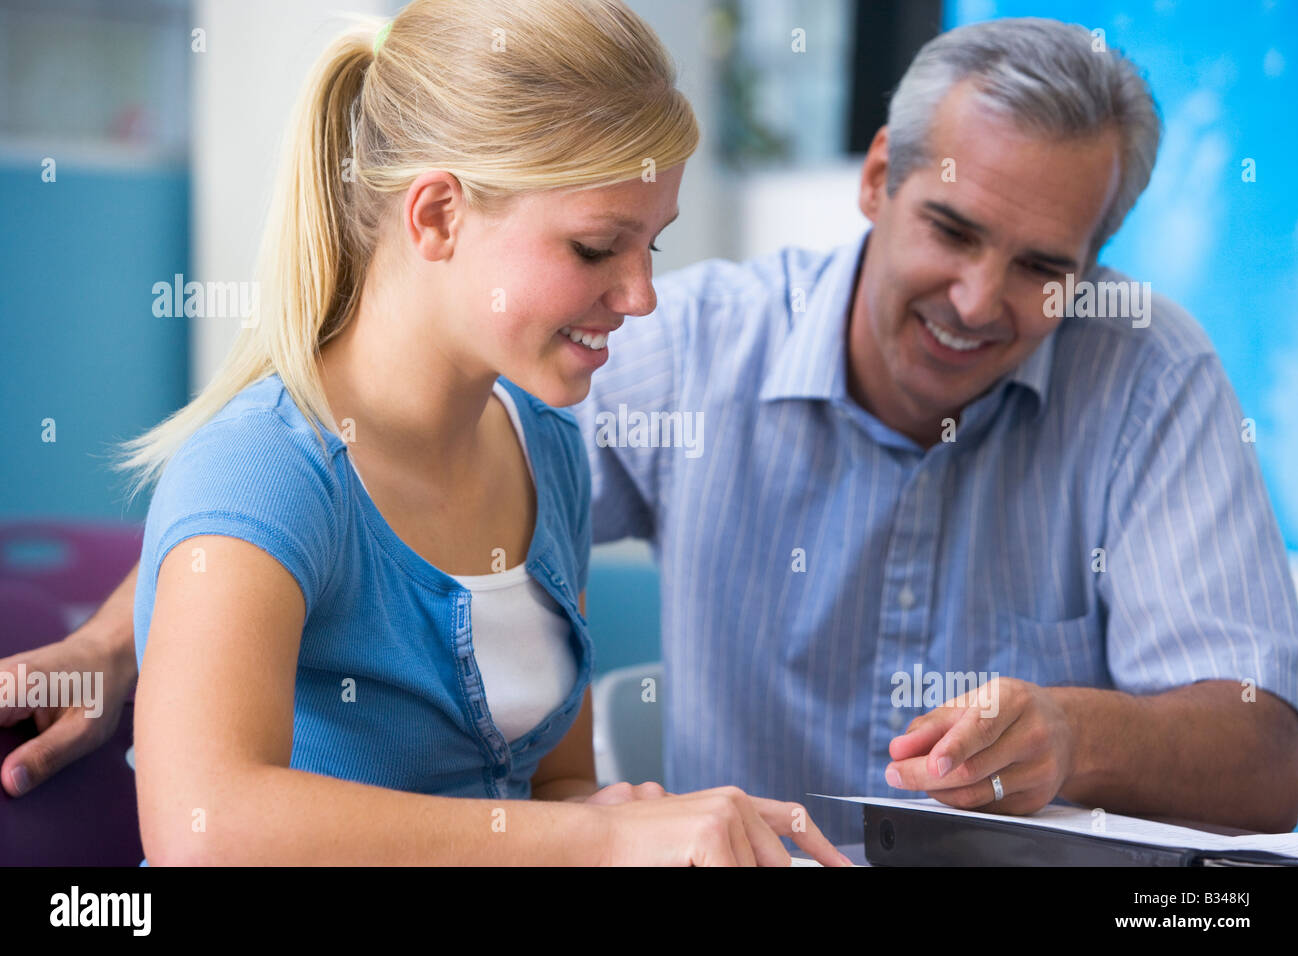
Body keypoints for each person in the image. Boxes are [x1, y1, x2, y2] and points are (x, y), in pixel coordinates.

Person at [7, 17, 1298, 848]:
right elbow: (277, 513)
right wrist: (133, 641)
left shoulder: (547, 440)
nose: (979, 301)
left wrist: (1072, 737)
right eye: (953, 233)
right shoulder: (667, 358)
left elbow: (1269, 756)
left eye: (1042, 269)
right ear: (875, 185)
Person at [0, 0, 846, 866]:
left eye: (652, 250)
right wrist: (597, 836)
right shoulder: (265, 464)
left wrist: (649, 830)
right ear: (437, 215)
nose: (641, 297)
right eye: (597, 249)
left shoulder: (546, 446)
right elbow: (202, 827)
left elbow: (550, 792)